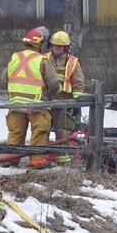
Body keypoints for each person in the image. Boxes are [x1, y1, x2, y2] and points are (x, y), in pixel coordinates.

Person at [0, 27, 62, 169]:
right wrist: (57, 92)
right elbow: (53, 84)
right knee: (39, 131)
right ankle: (37, 162)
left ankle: (10, 160)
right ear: (39, 44)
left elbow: (4, 79)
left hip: (16, 104)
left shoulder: (15, 57)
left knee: (16, 132)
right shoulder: (43, 60)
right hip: (36, 105)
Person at [45, 30, 85, 165]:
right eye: (54, 45)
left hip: (63, 103)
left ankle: (63, 162)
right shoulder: (44, 58)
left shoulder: (73, 62)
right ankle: (41, 158)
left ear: (66, 48)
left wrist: (76, 102)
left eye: (59, 46)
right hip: (45, 103)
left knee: (62, 131)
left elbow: (78, 82)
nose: (55, 48)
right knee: (42, 131)